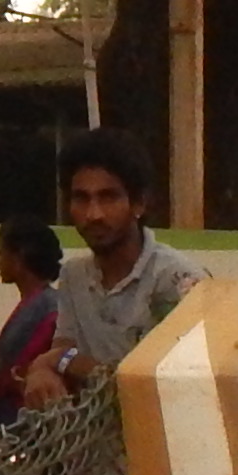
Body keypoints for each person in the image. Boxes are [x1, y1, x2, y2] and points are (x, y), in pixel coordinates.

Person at [47, 128, 209, 389]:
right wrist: (45, 367)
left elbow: (173, 384)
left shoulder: (180, 281)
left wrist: (62, 361)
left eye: (108, 197)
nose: (94, 214)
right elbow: (63, 349)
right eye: (81, 198)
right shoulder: (73, 276)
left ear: (139, 204)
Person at [0, 218, 65, 418]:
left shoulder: (49, 309)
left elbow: (20, 372)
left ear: (20, 256)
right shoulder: (36, 304)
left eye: (0, 252)